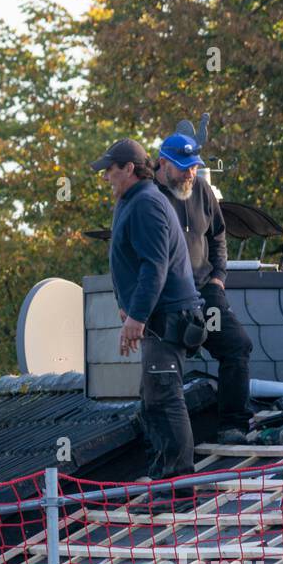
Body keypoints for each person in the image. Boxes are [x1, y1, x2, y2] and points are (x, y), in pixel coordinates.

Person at [90, 138, 206, 495]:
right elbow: (133, 263)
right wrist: (128, 306)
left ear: (129, 168)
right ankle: (164, 476)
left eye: (110, 170)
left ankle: (178, 485)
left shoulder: (146, 204)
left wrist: (136, 317)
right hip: (159, 316)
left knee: (165, 397)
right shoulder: (133, 201)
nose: (106, 177)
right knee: (153, 397)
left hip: (167, 317)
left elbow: (153, 267)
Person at [154, 125, 255, 444]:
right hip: (166, 298)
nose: (190, 174)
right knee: (167, 368)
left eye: (194, 167)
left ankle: (233, 426)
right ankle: (166, 445)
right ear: (163, 164)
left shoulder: (202, 189)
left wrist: (218, 278)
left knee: (237, 345)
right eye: (183, 169)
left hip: (205, 291)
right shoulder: (147, 198)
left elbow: (218, 235)